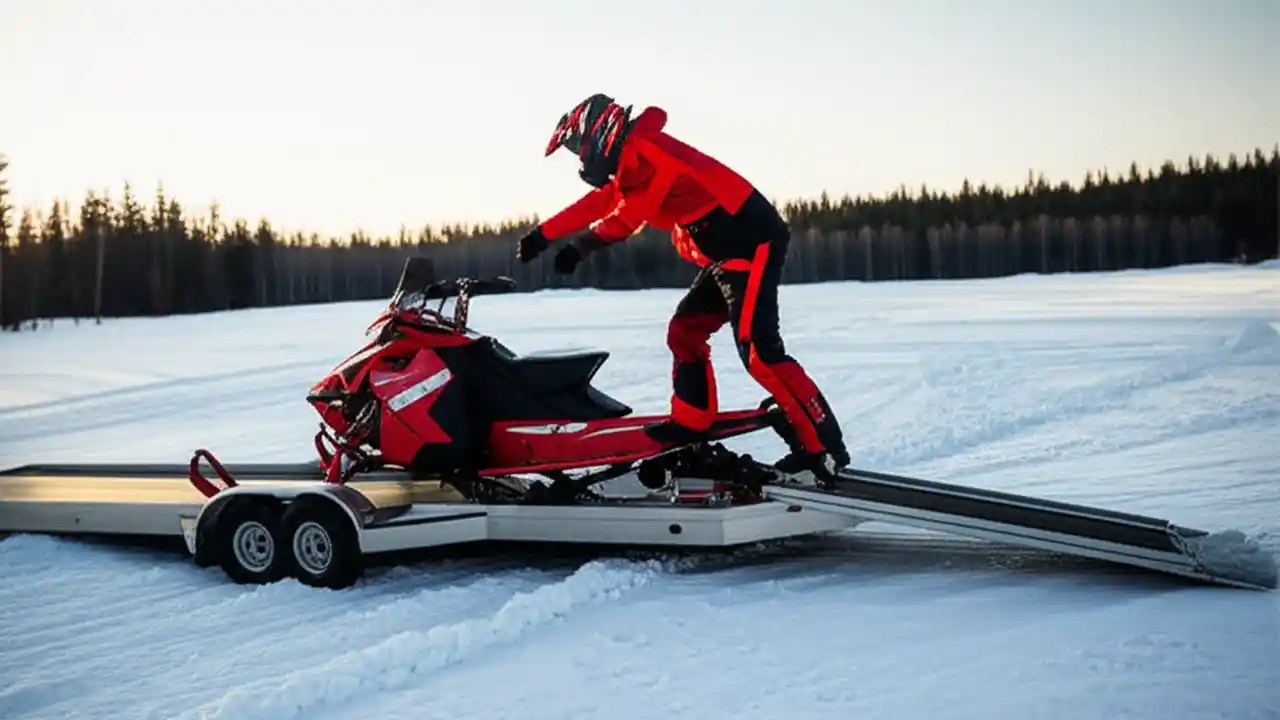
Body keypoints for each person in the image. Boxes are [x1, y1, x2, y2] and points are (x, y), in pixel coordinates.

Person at [516, 93, 849, 478]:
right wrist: (542, 235)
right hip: (726, 255)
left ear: (598, 135)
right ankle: (692, 420)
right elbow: (601, 202)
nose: (579, 159)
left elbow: (628, 217)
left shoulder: (652, 151)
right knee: (684, 332)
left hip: (752, 242)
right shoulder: (633, 163)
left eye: (577, 149)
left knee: (761, 353)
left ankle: (823, 448)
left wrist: (580, 247)